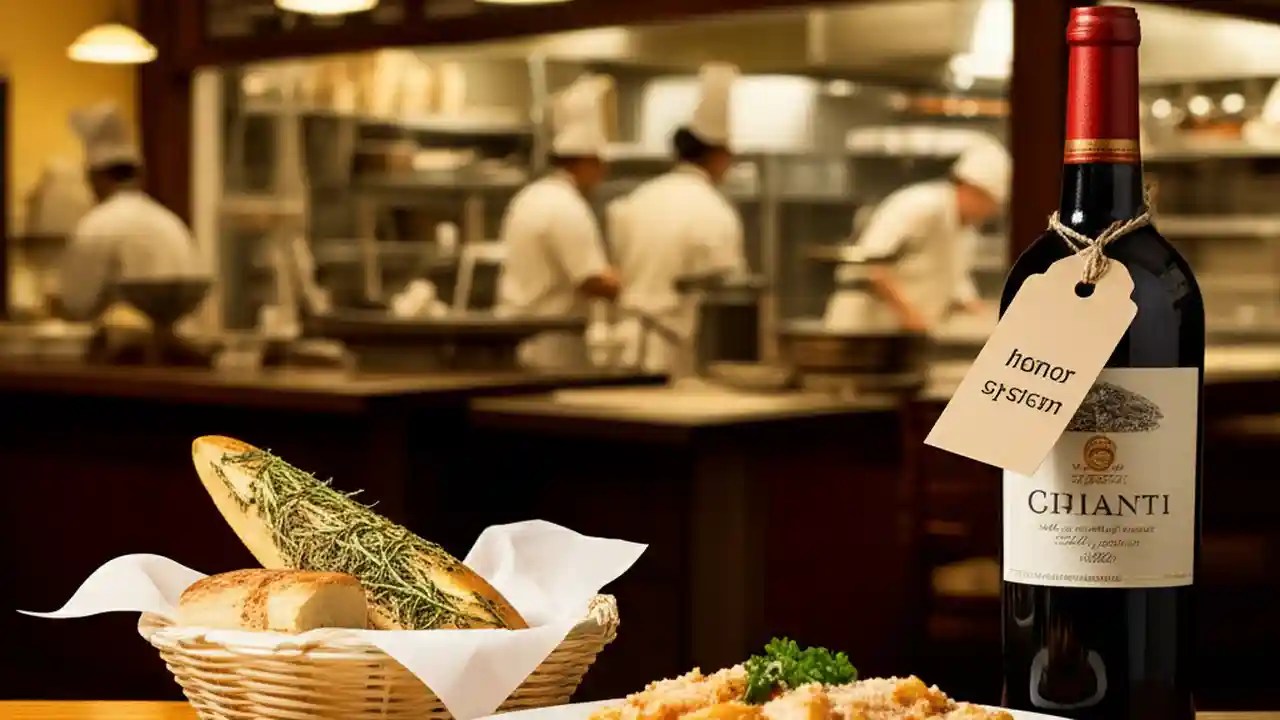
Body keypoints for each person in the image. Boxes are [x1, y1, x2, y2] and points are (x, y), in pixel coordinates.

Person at [609, 62, 747, 374]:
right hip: (675, 346)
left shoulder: (639, 198)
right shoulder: (713, 210)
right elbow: (728, 288)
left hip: (624, 343)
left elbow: (618, 267)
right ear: (718, 155)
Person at [495, 74, 621, 370]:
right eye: (600, 165)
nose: (602, 175)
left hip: (518, 340)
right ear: (587, 161)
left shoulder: (529, 197)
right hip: (553, 347)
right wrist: (641, 284)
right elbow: (592, 280)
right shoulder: (568, 208)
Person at [840, 136, 1010, 333]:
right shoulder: (920, 205)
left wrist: (981, 313)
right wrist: (909, 315)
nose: (992, 213)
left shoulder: (967, 231)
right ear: (971, 189)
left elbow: (954, 280)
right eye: (991, 204)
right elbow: (871, 265)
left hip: (906, 336)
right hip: (862, 328)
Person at [59, 102, 205, 322]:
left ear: (94, 178)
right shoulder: (171, 223)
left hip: (120, 342)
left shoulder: (96, 227)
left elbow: (76, 301)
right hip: (179, 341)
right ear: (140, 174)